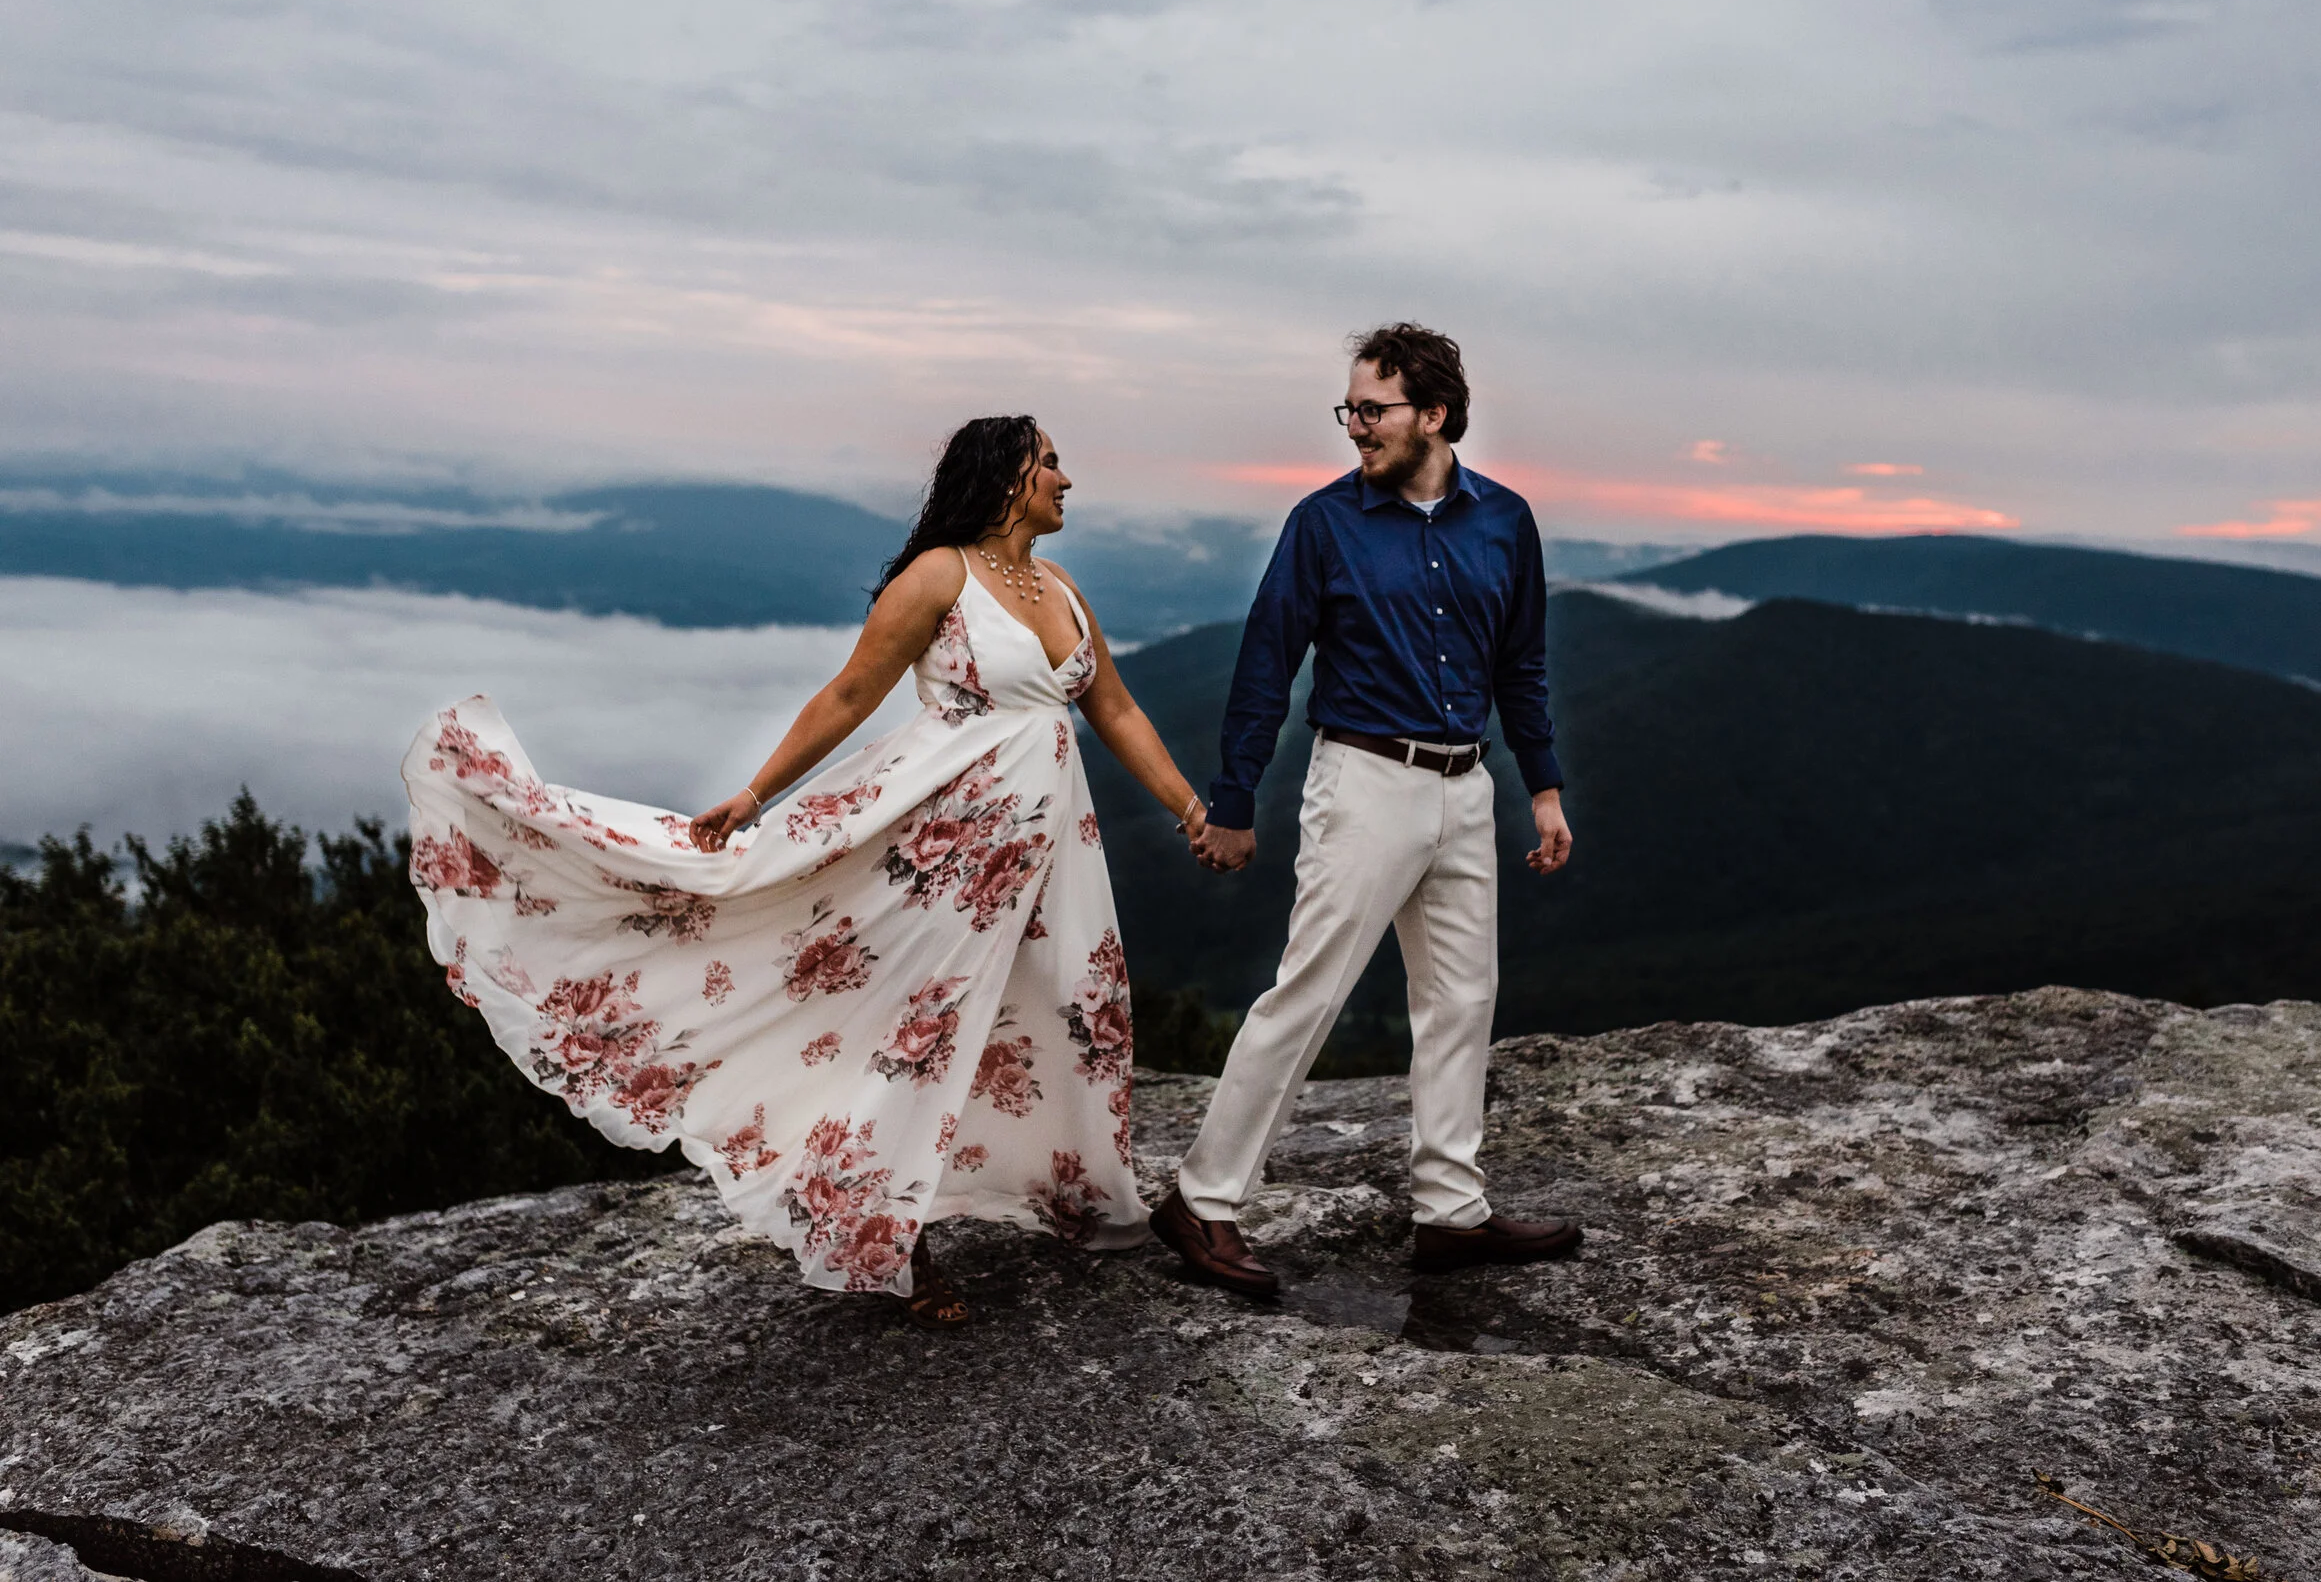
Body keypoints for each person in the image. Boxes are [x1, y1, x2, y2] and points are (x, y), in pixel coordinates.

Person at [403, 416, 1208, 1327]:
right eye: (1051, 462)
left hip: (1052, 851)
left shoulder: (1061, 588)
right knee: (925, 1027)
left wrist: (1192, 811)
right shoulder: (939, 575)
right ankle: (892, 1235)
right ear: (1006, 475)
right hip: (947, 853)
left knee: (1068, 1009)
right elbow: (850, 692)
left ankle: (1068, 1190)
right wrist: (755, 795)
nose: (1067, 478)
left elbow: (1118, 710)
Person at [1154, 323, 1580, 1296]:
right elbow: (1267, 661)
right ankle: (1202, 1199)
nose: (1354, 426)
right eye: (1348, 409)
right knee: (1307, 992)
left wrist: (1544, 786)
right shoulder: (1323, 523)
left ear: (1433, 414)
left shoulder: (1505, 520)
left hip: (1467, 786)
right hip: (1363, 783)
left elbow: (1521, 662)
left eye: (1372, 409)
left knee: (1461, 1001)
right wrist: (1234, 797)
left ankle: (1451, 1210)